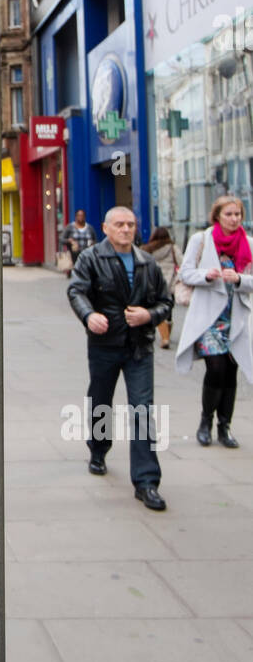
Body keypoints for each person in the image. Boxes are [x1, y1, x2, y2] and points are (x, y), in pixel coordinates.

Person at [67, 206, 173, 510]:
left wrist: (148, 315)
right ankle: (98, 450)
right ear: (106, 228)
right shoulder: (91, 258)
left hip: (139, 347)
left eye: (130, 224)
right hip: (104, 344)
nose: (126, 229)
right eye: (120, 224)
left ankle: (147, 481)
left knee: (142, 409)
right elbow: (76, 291)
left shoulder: (146, 261)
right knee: (101, 400)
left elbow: (166, 301)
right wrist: (89, 316)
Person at [175, 196, 253, 448]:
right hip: (209, 318)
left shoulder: (248, 243)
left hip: (236, 318)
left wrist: (239, 279)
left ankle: (225, 426)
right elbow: (185, 272)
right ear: (217, 215)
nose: (234, 219)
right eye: (229, 214)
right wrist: (206, 275)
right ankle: (205, 422)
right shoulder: (201, 240)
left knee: (231, 371)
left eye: (238, 214)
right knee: (216, 369)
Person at [143, 226, 182, 348]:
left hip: (155, 282)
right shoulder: (172, 248)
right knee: (169, 307)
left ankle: (165, 337)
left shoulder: (148, 249)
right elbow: (182, 262)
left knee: (159, 306)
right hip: (171, 282)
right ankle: (166, 335)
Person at [61, 209, 97, 274]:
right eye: (79, 215)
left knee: (86, 271)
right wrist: (69, 241)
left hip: (87, 254)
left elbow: (95, 240)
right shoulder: (70, 227)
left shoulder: (90, 228)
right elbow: (62, 239)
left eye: (82, 215)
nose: (81, 217)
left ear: (85, 217)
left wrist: (92, 243)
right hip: (74, 255)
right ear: (76, 217)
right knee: (76, 271)